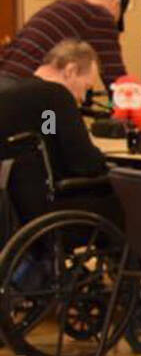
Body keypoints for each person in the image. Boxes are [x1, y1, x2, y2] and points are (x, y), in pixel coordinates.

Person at [0, 39, 121, 227]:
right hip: (50, 209)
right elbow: (84, 162)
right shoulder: (56, 95)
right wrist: (112, 166)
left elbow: (48, 134)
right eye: (86, 88)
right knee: (130, 199)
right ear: (70, 70)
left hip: (15, 212)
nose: (82, 99)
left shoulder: (12, 93)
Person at [0, 0, 128, 92]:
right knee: (52, 119)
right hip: (25, 86)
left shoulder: (64, 5)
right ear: (116, 4)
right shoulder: (99, 14)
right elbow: (114, 75)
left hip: (6, 76)